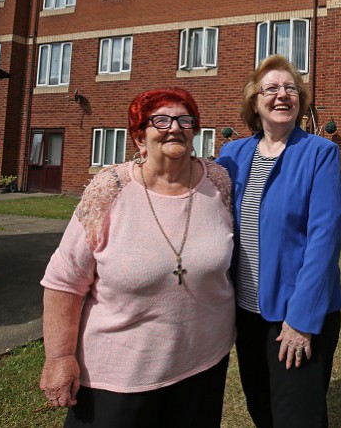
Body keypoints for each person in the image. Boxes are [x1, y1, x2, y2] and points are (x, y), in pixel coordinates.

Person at [39, 87, 235, 428]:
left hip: (203, 366)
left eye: (184, 119)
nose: (174, 127)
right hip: (119, 378)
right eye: (160, 120)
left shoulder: (218, 183)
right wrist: (59, 357)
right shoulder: (110, 188)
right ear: (139, 137)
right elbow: (64, 280)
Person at [217, 55, 341, 428]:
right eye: (271, 88)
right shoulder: (233, 155)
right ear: (254, 102)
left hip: (295, 313)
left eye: (290, 88)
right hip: (247, 313)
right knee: (262, 408)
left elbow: (324, 239)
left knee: (297, 416)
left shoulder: (320, 153)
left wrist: (301, 320)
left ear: (300, 100)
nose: (282, 95)